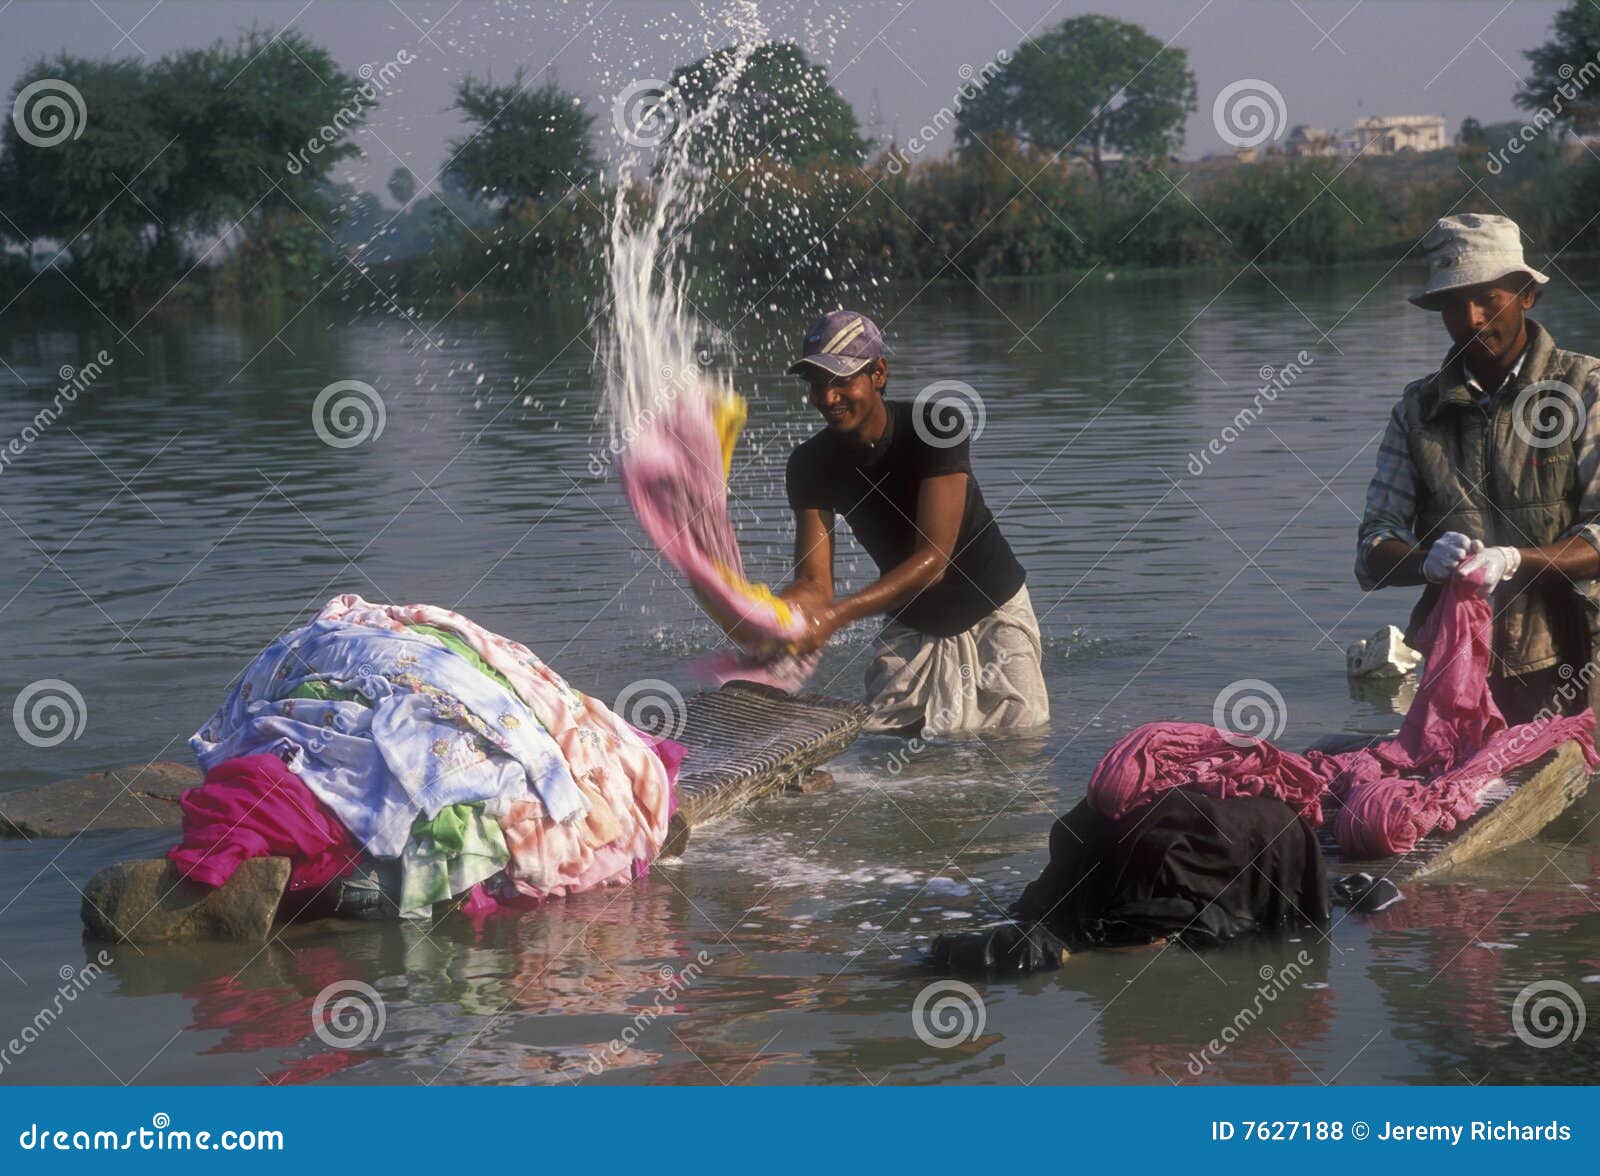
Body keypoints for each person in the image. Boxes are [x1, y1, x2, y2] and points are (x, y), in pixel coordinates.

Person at [1358, 213, 1600, 722]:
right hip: (1459, 665)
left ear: (1525, 295)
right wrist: (1426, 561)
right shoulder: (1417, 411)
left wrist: (1512, 559)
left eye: (1488, 298)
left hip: (1575, 658)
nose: (1471, 318)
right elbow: (1373, 549)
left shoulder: (1585, 388)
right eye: (1453, 303)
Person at [778, 310, 1048, 735]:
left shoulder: (935, 428)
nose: (827, 398)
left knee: (1020, 744)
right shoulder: (809, 464)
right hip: (912, 619)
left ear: (879, 373)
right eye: (815, 384)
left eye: (841, 380)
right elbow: (814, 585)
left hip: (992, 607)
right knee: (887, 743)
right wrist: (774, 616)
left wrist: (836, 616)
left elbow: (934, 559)